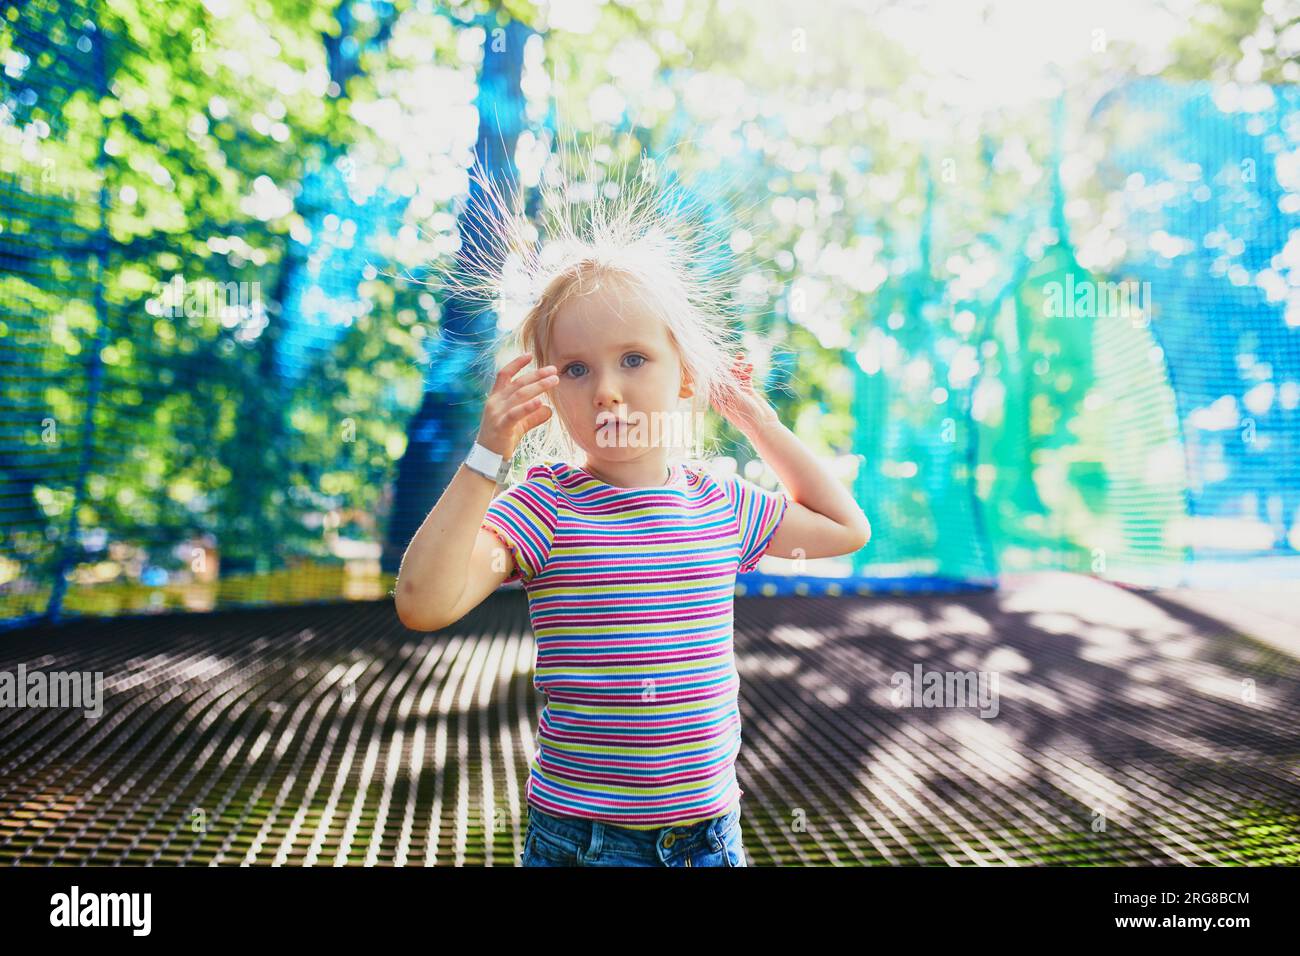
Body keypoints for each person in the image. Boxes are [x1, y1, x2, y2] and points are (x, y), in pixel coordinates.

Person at [394, 176, 871, 867]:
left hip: (710, 838)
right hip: (583, 843)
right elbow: (423, 603)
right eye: (577, 370)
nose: (608, 390)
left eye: (634, 360)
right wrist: (486, 451)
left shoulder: (720, 502)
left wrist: (755, 420)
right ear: (548, 391)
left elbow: (844, 526)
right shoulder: (544, 506)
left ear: (686, 376)